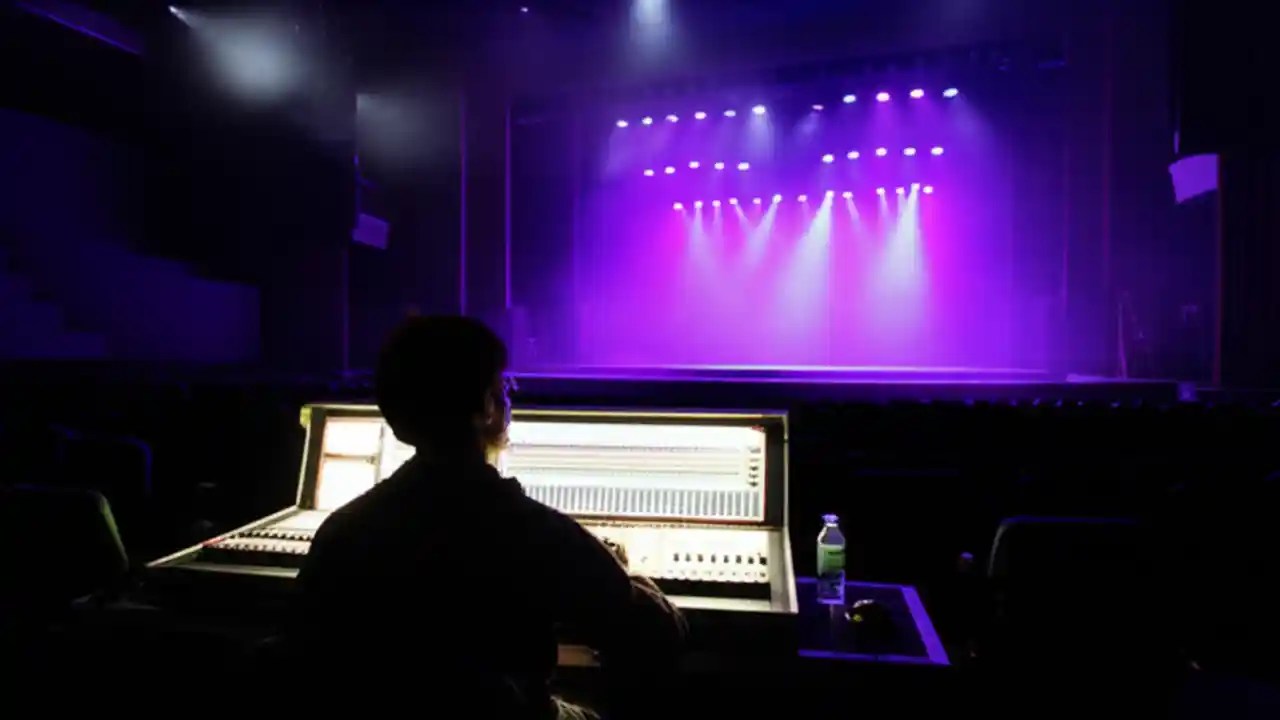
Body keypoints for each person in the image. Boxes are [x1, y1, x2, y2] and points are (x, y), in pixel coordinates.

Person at [288, 315, 685, 717]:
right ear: (487, 407)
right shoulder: (529, 530)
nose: (508, 398)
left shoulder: (343, 530)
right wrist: (623, 570)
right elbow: (656, 630)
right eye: (502, 388)